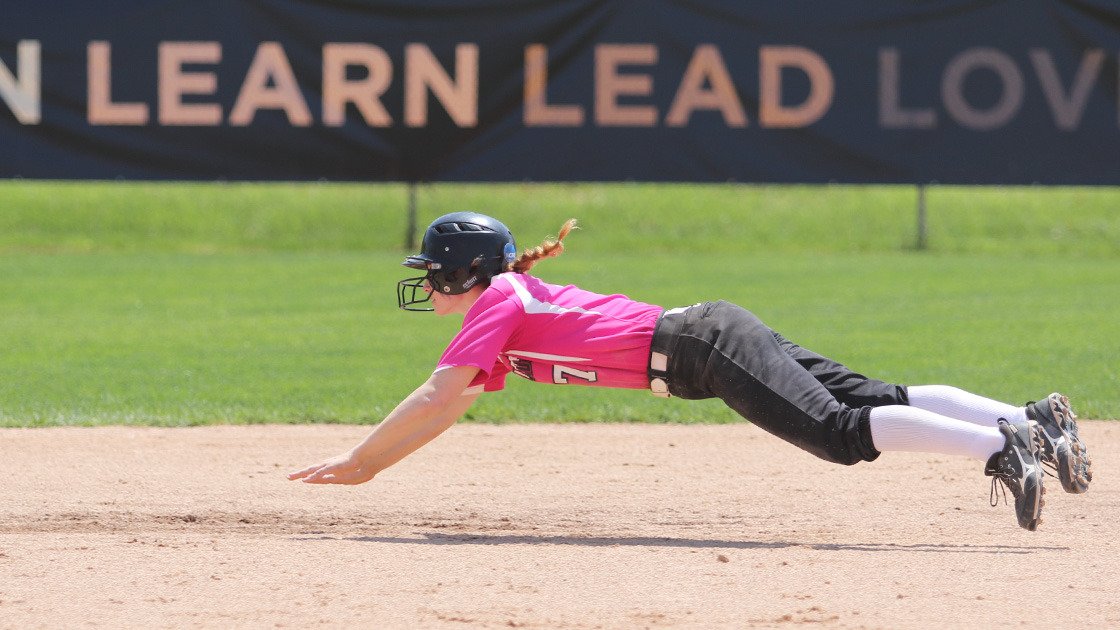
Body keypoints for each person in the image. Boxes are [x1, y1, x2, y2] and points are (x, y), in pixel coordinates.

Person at [289, 212, 1093, 531]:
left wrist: (363, 464)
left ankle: (1003, 450)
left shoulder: (497, 301)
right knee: (871, 399)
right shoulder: (503, 301)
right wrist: (372, 462)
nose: (426, 281)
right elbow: (448, 407)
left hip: (703, 347)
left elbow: (437, 395)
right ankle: (1028, 422)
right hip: (706, 339)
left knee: (842, 433)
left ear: (464, 273)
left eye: (434, 269)